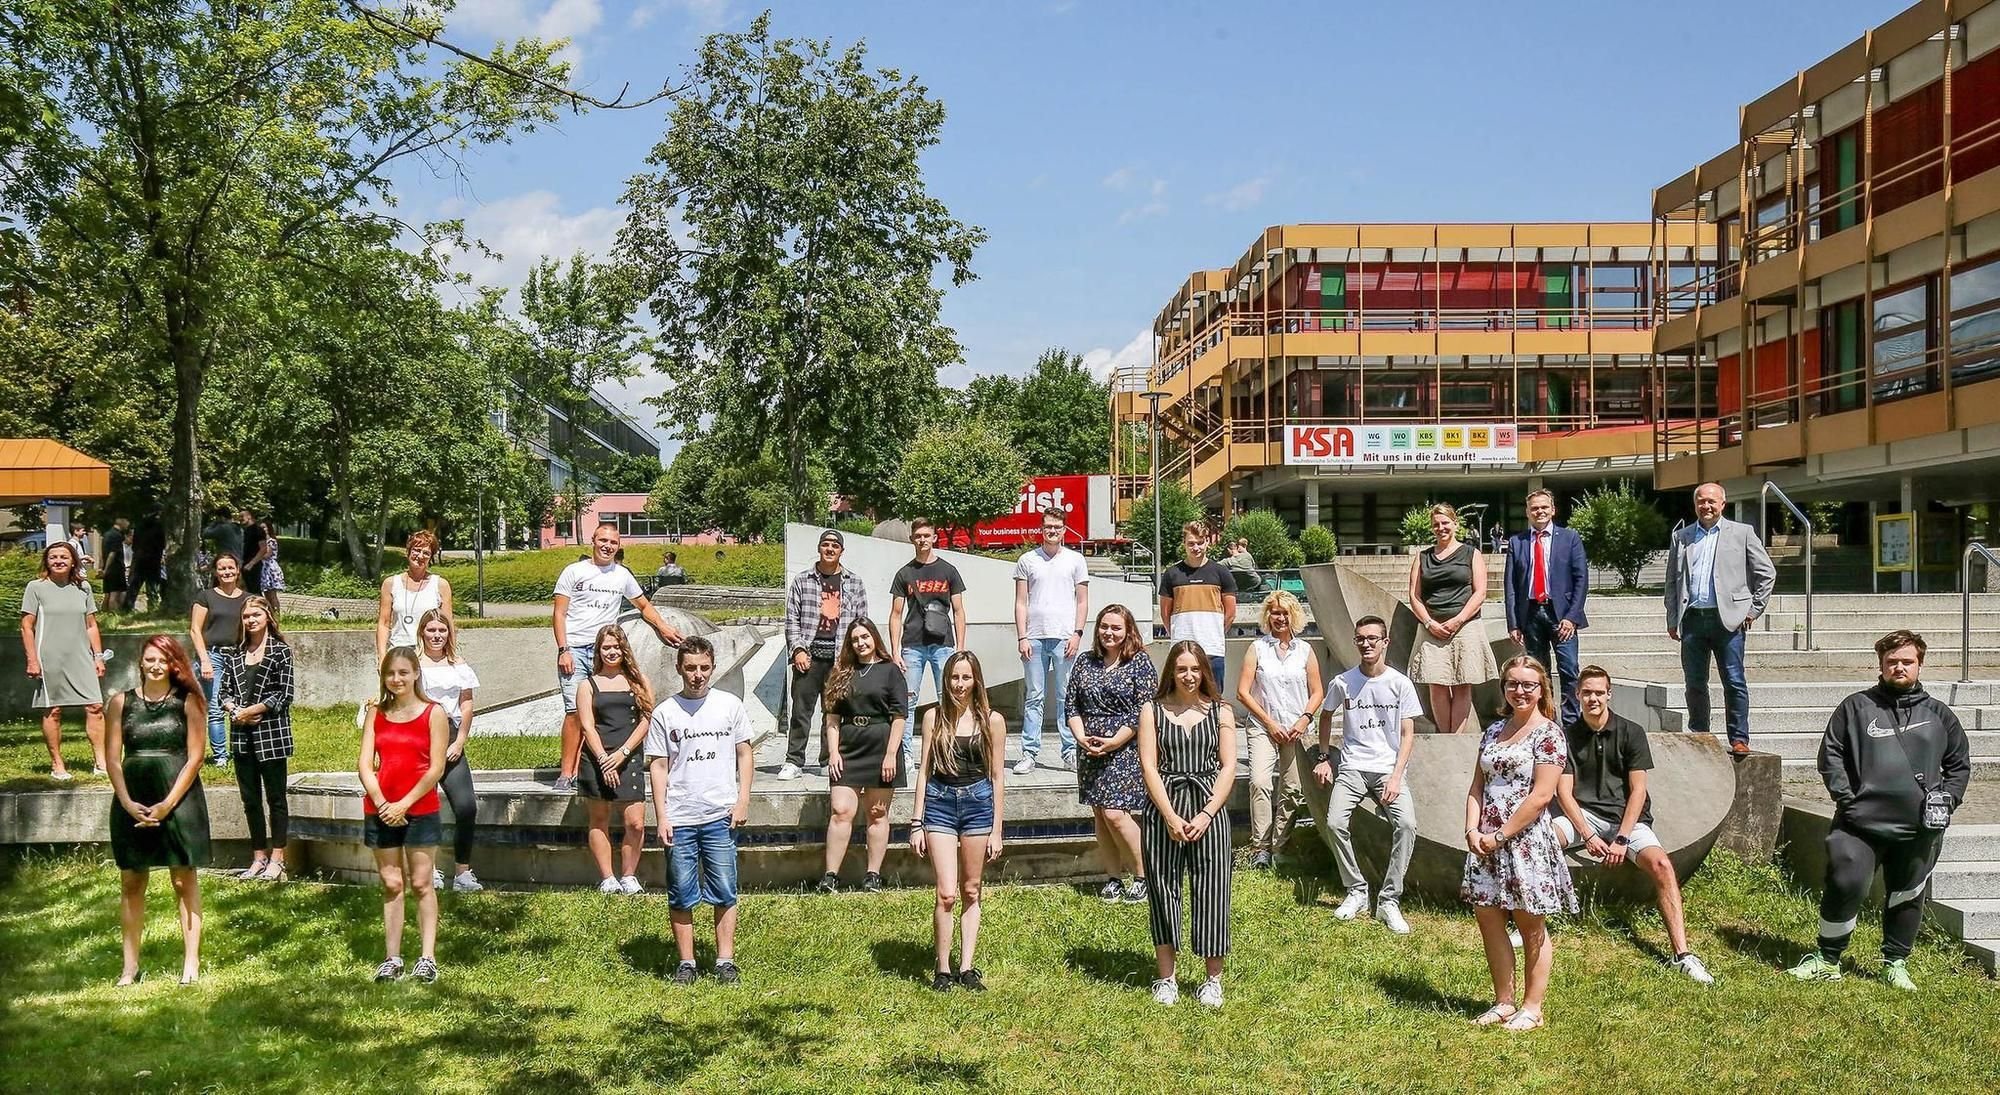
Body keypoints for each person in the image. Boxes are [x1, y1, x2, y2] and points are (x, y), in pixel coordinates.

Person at [1789, 630, 1971, 990]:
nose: (1899, 667)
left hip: (1918, 829)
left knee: (1907, 893)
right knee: (1846, 881)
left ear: (1919, 665)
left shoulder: (1939, 714)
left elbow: (1959, 765)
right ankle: (1827, 959)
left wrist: (1946, 800)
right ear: (1880, 665)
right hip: (1859, 825)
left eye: (1907, 661)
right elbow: (1831, 755)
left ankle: (1895, 962)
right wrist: (1847, 799)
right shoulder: (1855, 708)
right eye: (1892, 661)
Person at [1552, 665, 1713, 983]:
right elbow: (1563, 792)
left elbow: (1638, 791)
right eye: (1587, 692)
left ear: (1609, 694)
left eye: (1599, 692)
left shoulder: (1631, 732)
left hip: (1628, 819)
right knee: (1543, 839)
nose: (1593, 698)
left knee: (1662, 865)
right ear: (1577, 695)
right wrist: (1586, 833)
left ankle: (1683, 955)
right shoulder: (1567, 735)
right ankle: (1533, 921)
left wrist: (1622, 839)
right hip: (1584, 816)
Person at [1461, 655, 1577, 1032]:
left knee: (1530, 924)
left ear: (1542, 690)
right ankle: (1503, 1002)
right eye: (1513, 683)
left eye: (1528, 684)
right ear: (1504, 688)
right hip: (1485, 841)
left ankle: (1533, 1006)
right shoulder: (1493, 731)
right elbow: (1477, 786)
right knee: (1489, 919)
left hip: (1524, 842)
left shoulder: (1549, 734)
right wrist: (1471, 831)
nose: (1520, 690)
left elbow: (1542, 796)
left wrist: (1499, 836)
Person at [646, 636, 755, 986]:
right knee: (681, 891)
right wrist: (662, 815)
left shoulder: (729, 706)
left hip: (719, 814)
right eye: (690, 668)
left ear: (713, 667)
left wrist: (742, 800)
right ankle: (687, 962)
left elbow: (744, 754)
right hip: (680, 816)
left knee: (725, 889)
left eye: (704, 668)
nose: (697, 675)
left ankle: (724, 961)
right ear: (679, 668)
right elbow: (659, 765)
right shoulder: (665, 712)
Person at [1138, 641, 1238, 1009]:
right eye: (1182, 669)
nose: (1189, 675)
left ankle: (1213, 980)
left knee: (1213, 892)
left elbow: (1229, 766)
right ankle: (1166, 978)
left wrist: (1207, 813)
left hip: (1207, 809)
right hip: (1165, 806)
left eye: (1195, 669)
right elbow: (1149, 765)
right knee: (1163, 890)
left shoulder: (1221, 711)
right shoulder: (1152, 710)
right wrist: (1168, 815)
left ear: (1205, 672)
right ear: (1171, 672)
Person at [106, 636, 210, 985]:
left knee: (183, 879)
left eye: (162, 660)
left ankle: (191, 964)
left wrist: (167, 804)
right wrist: (124, 801)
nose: (155, 665)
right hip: (132, 798)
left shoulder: (189, 702)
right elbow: (112, 759)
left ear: (173, 664)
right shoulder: (120, 702)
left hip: (178, 799)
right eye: (149, 659)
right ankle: (130, 967)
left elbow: (196, 756)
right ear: (141, 662)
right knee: (132, 880)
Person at [1313, 613, 1423, 932]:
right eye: (1361, 638)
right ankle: (1357, 890)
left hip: (1388, 767)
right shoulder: (1343, 681)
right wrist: (1323, 756)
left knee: (1406, 825)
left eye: (1372, 638)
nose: (1366, 644)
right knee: (1334, 822)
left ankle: (1390, 899)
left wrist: (1396, 775)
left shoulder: (1400, 684)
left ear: (1385, 642)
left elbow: (1407, 734)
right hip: (1352, 767)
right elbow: (1326, 715)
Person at [553, 523, 684, 791]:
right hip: (576, 649)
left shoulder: (622, 575)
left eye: (612, 543)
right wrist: (563, 649)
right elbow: (559, 614)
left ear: (618, 546)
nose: (607, 546)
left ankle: (591, 765)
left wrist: (663, 626)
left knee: (601, 711)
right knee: (574, 712)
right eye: (602, 540)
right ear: (593, 540)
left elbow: (644, 605)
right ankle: (567, 772)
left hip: (606, 651)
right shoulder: (574, 571)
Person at [910, 651, 1007, 991]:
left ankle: (967, 967)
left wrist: (997, 829)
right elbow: (922, 772)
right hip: (939, 805)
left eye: (966, 678)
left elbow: (997, 777)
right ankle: (942, 969)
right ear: (945, 679)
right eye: (955, 678)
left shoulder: (991, 720)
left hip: (978, 805)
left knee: (971, 889)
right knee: (946, 893)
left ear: (976, 680)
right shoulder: (933, 717)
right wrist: (916, 821)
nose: (960, 685)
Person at [1664, 482, 1776, 756]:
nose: (1707, 506)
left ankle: (1739, 738)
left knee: (1734, 681)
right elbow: (1671, 580)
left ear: (1723, 504)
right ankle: (1699, 733)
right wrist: (1672, 616)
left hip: (1729, 620)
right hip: (1692, 620)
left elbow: (1766, 573)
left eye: (1712, 501)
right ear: (1695, 505)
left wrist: (1753, 610)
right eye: (1702, 501)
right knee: (1694, 683)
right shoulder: (1682, 537)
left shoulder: (1742, 533)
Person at [359, 647, 449, 983]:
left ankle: (427, 957)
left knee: (422, 883)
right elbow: (365, 765)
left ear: (415, 675)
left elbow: (435, 768)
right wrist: (383, 802)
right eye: (390, 673)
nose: (396, 679)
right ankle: (392, 958)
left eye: (403, 673)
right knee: (392, 883)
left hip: (421, 809)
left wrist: (404, 805)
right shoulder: (376, 713)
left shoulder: (433, 713)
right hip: (380, 808)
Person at [1065, 605, 1155, 904]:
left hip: (1124, 748)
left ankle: (1145, 876)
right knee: (1100, 816)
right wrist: (1081, 738)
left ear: (1128, 630)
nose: (1109, 632)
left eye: (1116, 627)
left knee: (1116, 814)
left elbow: (1145, 709)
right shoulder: (1085, 662)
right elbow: (1072, 705)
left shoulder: (1139, 662)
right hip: (1089, 748)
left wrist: (1114, 741)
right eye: (1104, 626)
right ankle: (1113, 878)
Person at [1237, 590, 1324, 870]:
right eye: (1275, 612)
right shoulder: (1257, 648)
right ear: (1268, 616)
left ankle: (1280, 846)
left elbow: (1317, 691)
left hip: (1296, 728)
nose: (1280, 618)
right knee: (1260, 782)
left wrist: (1304, 720)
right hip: (1264, 727)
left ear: (1294, 616)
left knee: (1293, 789)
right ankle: (1260, 847)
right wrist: (1270, 723)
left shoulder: (1305, 650)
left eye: (1285, 613)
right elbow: (1243, 692)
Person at [818, 619, 907, 893]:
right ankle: (831, 876)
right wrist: (833, 753)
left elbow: (899, 716)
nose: (860, 643)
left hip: (882, 746)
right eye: (855, 638)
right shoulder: (841, 671)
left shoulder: (891, 670)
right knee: (841, 810)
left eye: (865, 637)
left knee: (877, 813)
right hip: (849, 748)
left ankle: (873, 875)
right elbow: (832, 718)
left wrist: (891, 754)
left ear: (874, 638)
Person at [779, 529, 869, 781]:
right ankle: (794, 760)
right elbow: (791, 619)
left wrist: (855, 657)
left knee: (834, 711)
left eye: (835, 545)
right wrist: (797, 649)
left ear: (841, 551)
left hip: (840, 657)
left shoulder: (854, 582)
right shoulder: (803, 580)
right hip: (809, 655)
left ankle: (828, 758)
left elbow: (862, 622)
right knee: (801, 711)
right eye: (825, 544)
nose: (830, 549)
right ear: (819, 548)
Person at [218, 598, 294, 883]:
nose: (251, 620)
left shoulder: (280, 651)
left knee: (276, 798)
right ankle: (258, 856)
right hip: (241, 736)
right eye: (246, 615)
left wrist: (254, 710)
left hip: (271, 735)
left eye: (256, 614)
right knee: (250, 800)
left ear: (267, 616)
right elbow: (223, 692)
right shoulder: (234, 653)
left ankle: (278, 858)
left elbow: (284, 694)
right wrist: (235, 711)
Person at [575, 624, 654, 895]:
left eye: (616, 646)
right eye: (606, 647)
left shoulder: (639, 680)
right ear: (598, 651)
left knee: (635, 822)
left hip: (628, 755)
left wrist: (622, 754)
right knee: (600, 818)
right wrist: (603, 759)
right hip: (597, 758)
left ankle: (629, 875)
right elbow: (587, 726)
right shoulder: (588, 685)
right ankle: (607, 877)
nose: (611, 652)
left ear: (624, 649)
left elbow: (647, 718)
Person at [20, 542, 107, 779]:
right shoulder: (35, 587)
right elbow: (27, 627)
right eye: (53, 557)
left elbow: (91, 625)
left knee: (95, 706)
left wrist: (97, 656)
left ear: (73, 561)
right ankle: (57, 765)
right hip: (50, 658)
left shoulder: (83, 588)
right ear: (46, 561)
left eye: (64, 557)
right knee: (53, 710)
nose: (58, 561)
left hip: (81, 656)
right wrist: (32, 660)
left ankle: (100, 762)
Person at [1407, 502, 1496, 734]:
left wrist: (1459, 620)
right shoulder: (1422, 557)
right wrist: (1429, 622)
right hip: (1432, 627)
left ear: (1455, 524)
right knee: (1436, 684)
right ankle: (1444, 737)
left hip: (1465, 625)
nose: (1441, 528)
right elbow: (1414, 595)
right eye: (1436, 524)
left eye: (1445, 523)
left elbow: (1480, 592)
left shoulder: (1471, 553)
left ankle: (1457, 738)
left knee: (1462, 683)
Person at [1014, 507, 1090, 774]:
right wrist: (1022, 635)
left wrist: (1077, 633)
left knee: (1065, 697)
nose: (1052, 531)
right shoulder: (1027, 560)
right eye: (1048, 526)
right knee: (1034, 696)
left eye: (1057, 527)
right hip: (1034, 637)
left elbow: (1082, 600)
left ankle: (1069, 751)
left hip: (1064, 637)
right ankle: (1029, 752)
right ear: (1041, 528)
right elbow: (1021, 601)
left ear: (1064, 529)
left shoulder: (1076, 560)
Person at [1504, 490, 1589, 726]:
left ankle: (1571, 723)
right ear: (1527, 512)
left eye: (1544, 507)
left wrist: (1572, 617)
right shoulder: (1516, 542)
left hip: (1561, 615)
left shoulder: (1569, 538)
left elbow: (1581, 579)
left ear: (1553, 510)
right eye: (1534, 508)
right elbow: (1510, 585)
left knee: (1569, 669)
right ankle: (1546, 721)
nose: (1539, 512)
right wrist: (1513, 623)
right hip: (1530, 614)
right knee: (1538, 673)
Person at [416, 608, 483, 893]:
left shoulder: (459, 665)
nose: (437, 635)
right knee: (425, 808)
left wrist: (460, 741)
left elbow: (467, 705)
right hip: (422, 739)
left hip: (452, 738)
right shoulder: (414, 664)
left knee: (466, 807)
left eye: (442, 630)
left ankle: (463, 872)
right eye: (431, 630)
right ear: (422, 633)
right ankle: (429, 869)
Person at [889, 517, 967, 760]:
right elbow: (896, 614)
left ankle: (948, 749)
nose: (922, 540)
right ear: (912, 539)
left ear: (934, 538)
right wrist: (894, 651)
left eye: (926, 535)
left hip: (943, 645)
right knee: (908, 700)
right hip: (912, 645)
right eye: (918, 536)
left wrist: (960, 649)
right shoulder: (905, 573)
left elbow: (959, 611)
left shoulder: (948, 571)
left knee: (949, 698)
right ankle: (906, 756)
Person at [1159, 520, 1238, 687]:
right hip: (1181, 651)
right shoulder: (1171, 574)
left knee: (1214, 698)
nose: (1196, 548)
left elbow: (1230, 612)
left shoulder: (1221, 572)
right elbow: (1165, 613)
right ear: (1184, 544)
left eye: (1200, 543)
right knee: (1180, 700)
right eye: (1191, 543)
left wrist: (1215, 633)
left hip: (1212, 649)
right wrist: (1176, 634)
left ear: (1207, 542)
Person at [189, 553, 249, 766]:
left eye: (230, 568)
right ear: (216, 572)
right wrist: (204, 660)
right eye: (222, 568)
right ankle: (220, 756)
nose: (227, 572)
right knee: (215, 708)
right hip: (213, 656)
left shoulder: (247, 599)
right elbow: (195, 630)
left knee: (240, 705)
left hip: (239, 655)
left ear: (238, 570)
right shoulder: (206, 596)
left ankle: (241, 752)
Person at [376, 530, 454, 664]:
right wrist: (382, 656)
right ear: (408, 552)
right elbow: (383, 623)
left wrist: (451, 655)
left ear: (431, 557)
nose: (420, 556)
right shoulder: (390, 584)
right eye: (416, 550)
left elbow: (448, 624)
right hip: (398, 653)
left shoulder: (441, 585)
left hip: (429, 655)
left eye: (426, 553)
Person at [132, 512, 167, 613]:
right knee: (153, 585)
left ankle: (129, 605)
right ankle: (153, 606)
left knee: (135, 584)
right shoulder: (159, 526)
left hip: (141, 558)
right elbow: (162, 544)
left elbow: (134, 545)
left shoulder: (139, 526)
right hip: (154, 559)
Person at [101, 517, 132, 613]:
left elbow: (103, 553)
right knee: (115, 593)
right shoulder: (117, 536)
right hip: (115, 567)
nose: (127, 526)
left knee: (107, 593)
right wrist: (106, 569)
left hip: (108, 567)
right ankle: (114, 614)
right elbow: (112, 553)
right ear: (121, 522)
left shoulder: (106, 534)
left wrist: (103, 568)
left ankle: (103, 613)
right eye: (127, 523)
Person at [257, 517, 286, 614]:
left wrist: (255, 555)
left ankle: (277, 615)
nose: (262, 530)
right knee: (266, 594)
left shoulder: (271, 541)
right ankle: (270, 615)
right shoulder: (260, 541)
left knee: (272, 594)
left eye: (264, 527)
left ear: (268, 528)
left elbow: (266, 554)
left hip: (270, 569)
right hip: (263, 569)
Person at [239, 508, 269, 600]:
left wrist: (251, 563)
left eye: (242, 516)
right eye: (239, 517)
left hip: (253, 565)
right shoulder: (244, 530)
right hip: (244, 563)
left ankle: (262, 609)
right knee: (246, 590)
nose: (240, 519)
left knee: (255, 591)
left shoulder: (258, 530)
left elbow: (263, 549)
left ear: (249, 516)